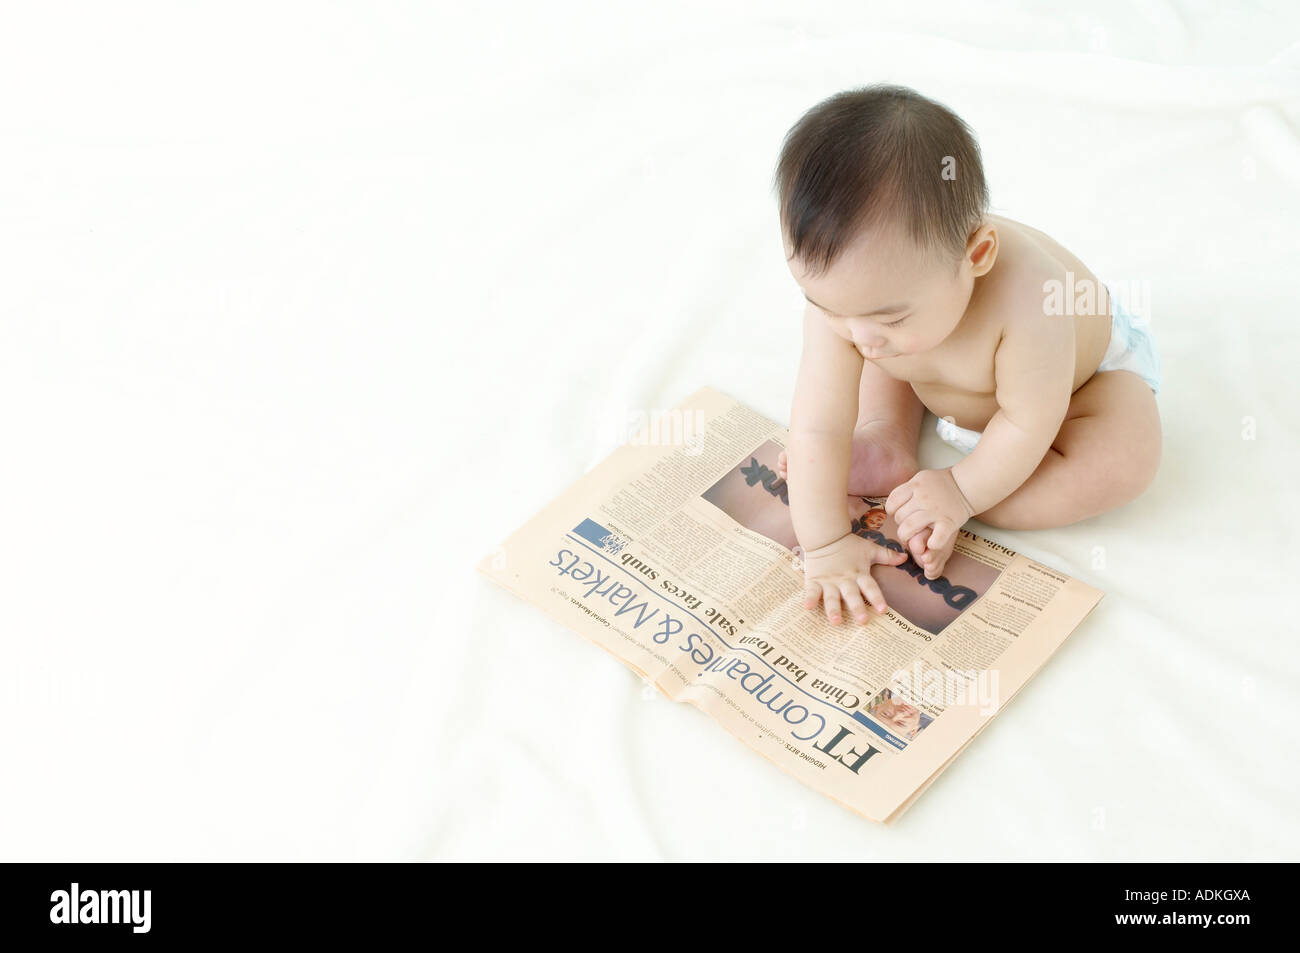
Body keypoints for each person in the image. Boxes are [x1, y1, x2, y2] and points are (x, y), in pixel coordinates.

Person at [774, 85, 1162, 625]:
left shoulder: (1033, 297)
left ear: (976, 256)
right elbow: (816, 426)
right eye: (824, 305)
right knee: (883, 361)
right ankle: (886, 440)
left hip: (1072, 388)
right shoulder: (853, 306)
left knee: (1125, 460)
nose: (859, 336)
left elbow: (1030, 420)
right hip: (927, 372)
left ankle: (982, 499)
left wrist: (960, 491)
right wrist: (824, 549)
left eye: (890, 316)